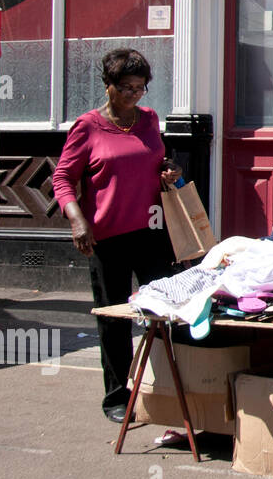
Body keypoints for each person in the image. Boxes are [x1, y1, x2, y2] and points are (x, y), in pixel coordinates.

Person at [51, 49, 181, 423]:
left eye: (141, 88)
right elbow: (62, 178)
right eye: (126, 87)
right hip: (107, 238)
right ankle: (116, 396)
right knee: (114, 317)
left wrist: (169, 170)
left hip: (153, 232)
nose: (134, 95)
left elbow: (158, 162)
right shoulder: (87, 126)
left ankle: (163, 387)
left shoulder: (150, 120)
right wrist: (77, 219)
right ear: (108, 86)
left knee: (164, 310)